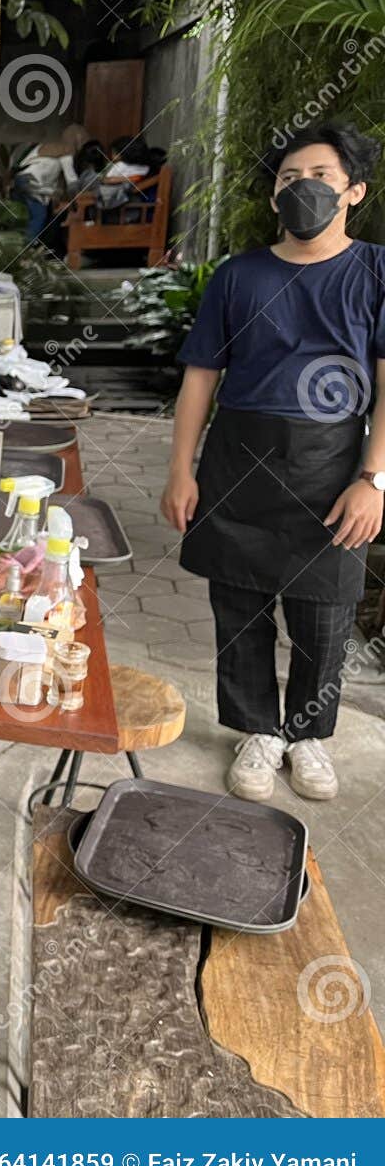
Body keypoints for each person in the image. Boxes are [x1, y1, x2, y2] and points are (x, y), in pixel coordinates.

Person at [162, 121, 385, 803]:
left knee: (326, 611)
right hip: (240, 458)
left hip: (334, 464)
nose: (303, 189)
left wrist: (374, 479)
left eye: (319, 177)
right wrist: (181, 469)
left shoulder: (375, 271)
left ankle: (309, 736)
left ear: (354, 191)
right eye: (289, 180)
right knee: (240, 604)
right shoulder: (239, 276)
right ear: (272, 198)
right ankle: (257, 732)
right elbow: (200, 376)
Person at [13, 123, 91, 243]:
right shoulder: (66, 150)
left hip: (20, 180)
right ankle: (25, 255)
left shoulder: (48, 147)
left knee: (27, 219)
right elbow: (71, 181)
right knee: (39, 217)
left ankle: (16, 248)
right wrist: (76, 203)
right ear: (78, 139)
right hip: (33, 182)